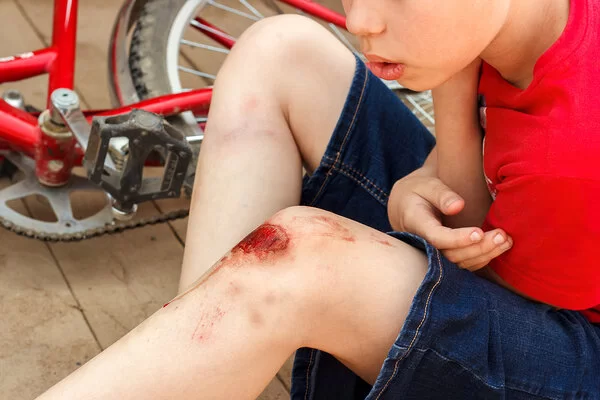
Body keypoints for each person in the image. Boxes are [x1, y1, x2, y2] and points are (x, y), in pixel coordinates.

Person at [38, 0, 600, 398]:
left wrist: (451, 92)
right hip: (516, 226)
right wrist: (415, 184)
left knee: (303, 258)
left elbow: (474, 260)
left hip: (566, 347)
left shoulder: (570, 150)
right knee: (279, 49)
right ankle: (205, 359)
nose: (361, 20)